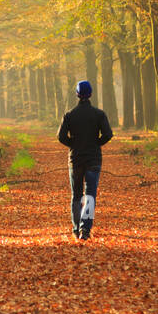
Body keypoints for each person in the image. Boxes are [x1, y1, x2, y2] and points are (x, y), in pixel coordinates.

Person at [57, 79, 113, 240]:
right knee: (89, 195)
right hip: (93, 159)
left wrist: (72, 145)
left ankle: (75, 229)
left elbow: (60, 136)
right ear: (91, 94)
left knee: (76, 195)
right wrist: (97, 144)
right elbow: (108, 134)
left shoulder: (69, 115)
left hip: (75, 160)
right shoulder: (99, 114)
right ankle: (85, 230)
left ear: (77, 94)